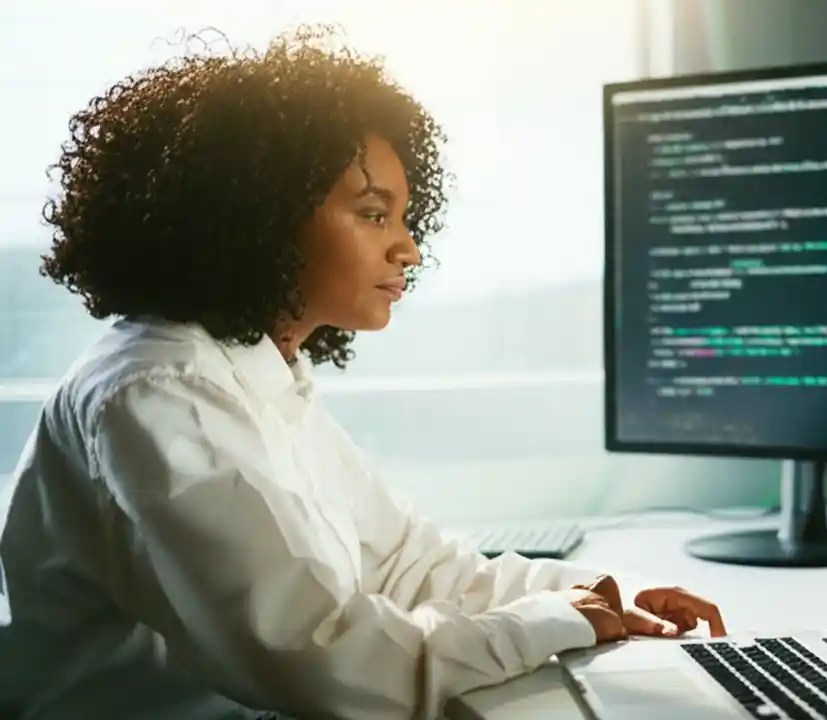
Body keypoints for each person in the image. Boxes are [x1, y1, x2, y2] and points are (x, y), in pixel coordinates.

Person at [0, 27, 724, 719]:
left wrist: (596, 595)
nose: (408, 248)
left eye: (405, 218)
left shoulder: (256, 367)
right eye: (374, 214)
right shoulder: (161, 392)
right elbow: (316, 659)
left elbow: (408, 566)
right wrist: (545, 625)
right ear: (261, 215)